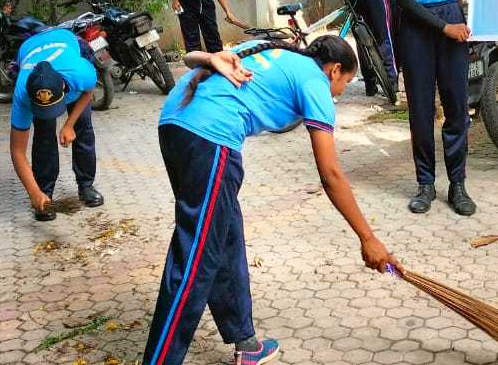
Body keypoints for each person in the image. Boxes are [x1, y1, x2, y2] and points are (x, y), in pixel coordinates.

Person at [143, 35, 399, 365]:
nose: (339, 92)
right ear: (335, 70)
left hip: (175, 124)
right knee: (194, 259)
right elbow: (331, 174)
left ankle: (245, 343)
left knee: (225, 237)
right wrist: (368, 237)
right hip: (210, 137)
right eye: (345, 83)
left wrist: (206, 58)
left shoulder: (276, 52)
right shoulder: (314, 80)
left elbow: (194, 57)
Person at [382, 0, 475, 216]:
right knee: (420, 111)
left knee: (456, 108)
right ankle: (424, 184)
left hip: (451, 13)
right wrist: (444, 27)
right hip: (417, 29)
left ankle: (458, 185)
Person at [8, 27, 103, 221]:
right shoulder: (22, 93)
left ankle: (86, 185)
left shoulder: (79, 72)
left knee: (83, 128)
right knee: (43, 135)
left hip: (64, 40)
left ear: (63, 87)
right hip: (30, 48)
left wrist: (69, 124)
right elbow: (17, 151)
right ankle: (45, 193)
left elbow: (88, 91)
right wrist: (33, 192)